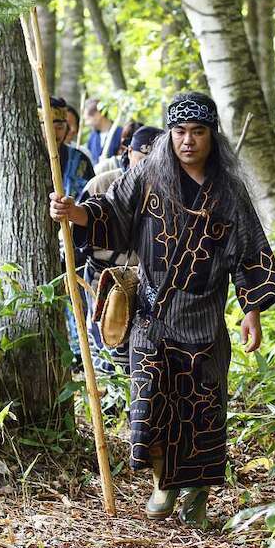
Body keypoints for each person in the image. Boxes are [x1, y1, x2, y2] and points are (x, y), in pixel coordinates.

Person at [49, 92, 275, 529]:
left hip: (203, 319)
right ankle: (165, 482)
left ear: (211, 136)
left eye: (198, 132)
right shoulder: (146, 177)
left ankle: (196, 491)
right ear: (170, 135)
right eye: (180, 132)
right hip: (151, 316)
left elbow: (247, 250)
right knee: (150, 406)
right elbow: (112, 214)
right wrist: (76, 213)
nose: (188, 141)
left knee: (199, 409)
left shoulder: (229, 191)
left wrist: (251, 309)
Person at [77, 125, 164, 380]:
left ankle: (139, 405)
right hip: (104, 277)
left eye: (154, 157)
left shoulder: (172, 188)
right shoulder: (103, 183)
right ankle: (111, 403)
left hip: (150, 280)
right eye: (141, 156)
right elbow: (81, 227)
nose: (147, 163)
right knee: (108, 342)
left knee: (145, 349)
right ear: (129, 152)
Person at [42, 97, 95, 365]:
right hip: (44, 246)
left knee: (80, 302)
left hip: (76, 245)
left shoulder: (79, 160)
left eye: (58, 123)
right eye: (44, 124)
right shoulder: (31, 160)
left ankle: (81, 355)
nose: (52, 130)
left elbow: (93, 204)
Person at [84, 99, 123, 164]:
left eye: (88, 119)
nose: (86, 123)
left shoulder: (120, 133)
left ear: (98, 114)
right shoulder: (92, 137)